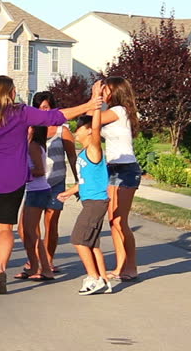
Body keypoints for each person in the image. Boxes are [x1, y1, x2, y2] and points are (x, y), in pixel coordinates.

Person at [0, 75, 101, 294]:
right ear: (9, 93)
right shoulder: (20, 113)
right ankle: (0, 269)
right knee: (5, 229)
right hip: (11, 179)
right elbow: (54, 116)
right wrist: (89, 105)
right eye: (13, 90)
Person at [57, 81, 113, 295]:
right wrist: (69, 192)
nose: (75, 133)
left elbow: (96, 126)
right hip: (92, 201)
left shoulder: (94, 150)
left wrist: (96, 101)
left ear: (88, 131)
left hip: (96, 204)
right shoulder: (83, 155)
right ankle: (104, 279)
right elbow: (84, 181)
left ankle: (93, 278)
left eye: (78, 129)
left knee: (78, 239)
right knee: (93, 244)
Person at [17, 92, 78, 276]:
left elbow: (72, 156)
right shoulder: (30, 130)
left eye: (48, 107)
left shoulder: (62, 130)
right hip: (34, 185)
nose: (45, 111)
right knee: (27, 227)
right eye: (41, 108)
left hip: (55, 183)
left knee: (51, 225)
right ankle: (35, 259)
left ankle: (48, 262)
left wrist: (78, 182)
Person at [100, 76, 142, 281]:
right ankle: (119, 267)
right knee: (113, 221)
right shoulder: (115, 112)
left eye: (106, 90)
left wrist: (92, 99)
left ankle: (131, 266)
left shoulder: (118, 111)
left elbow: (94, 119)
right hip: (112, 168)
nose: (103, 94)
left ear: (116, 92)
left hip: (126, 169)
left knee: (120, 221)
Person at [15, 126, 56, 281]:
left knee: (31, 232)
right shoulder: (30, 144)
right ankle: (33, 265)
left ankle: (45, 268)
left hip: (38, 191)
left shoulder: (33, 146)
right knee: (23, 230)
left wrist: (20, 172)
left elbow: (40, 169)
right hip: (32, 191)